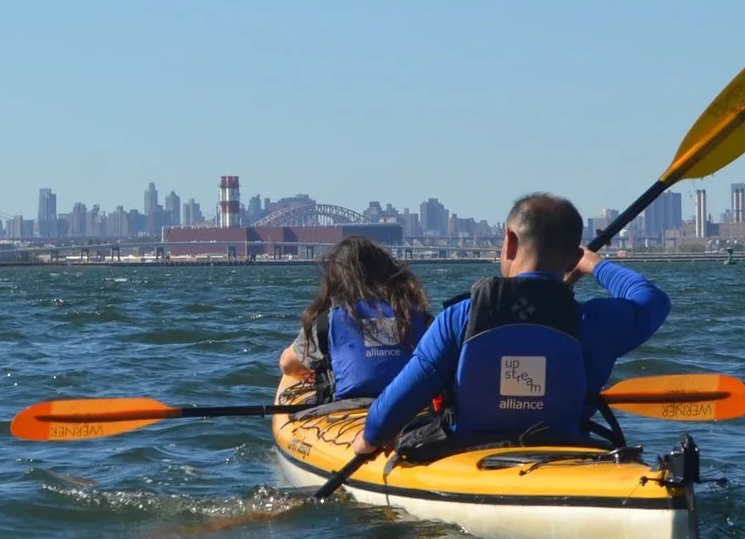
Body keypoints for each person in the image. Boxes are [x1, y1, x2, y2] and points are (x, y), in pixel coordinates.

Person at [354, 192, 669, 455]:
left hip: (469, 455)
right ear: (572, 259)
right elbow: (651, 299)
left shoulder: (459, 318)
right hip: (564, 451)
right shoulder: (595, 321)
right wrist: (592, 264)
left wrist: (368, 440)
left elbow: (394, 406)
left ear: (510, 241)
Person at [278, 237, 432, 404]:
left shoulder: (327, 321)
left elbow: (287, 364)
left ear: (337, 277)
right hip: (411, 407)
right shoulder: (418, 316)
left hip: (349, 410)